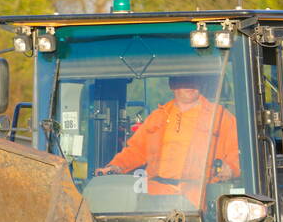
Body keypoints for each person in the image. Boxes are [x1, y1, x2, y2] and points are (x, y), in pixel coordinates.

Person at [95, 74, 241, 202]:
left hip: (198, 198)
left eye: (194, 79)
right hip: (155, 198)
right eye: (184, 79)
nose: (191, 84)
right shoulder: (157, 117)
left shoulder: (220, 117)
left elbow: (237, 152)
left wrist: (231, 168)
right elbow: (136, 150)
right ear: (172, 84)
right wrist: (116, 166)